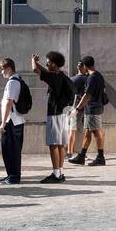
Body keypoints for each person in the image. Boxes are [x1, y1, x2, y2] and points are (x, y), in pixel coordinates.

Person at [32, 51, 74, 183]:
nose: (47, 64)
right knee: (60, 144)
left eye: (49, 62)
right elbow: (44, 72)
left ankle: (56, 174)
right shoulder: (61, 76)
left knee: (53, 145)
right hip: (63, 114)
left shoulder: (54, 77)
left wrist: (33, 60)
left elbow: (35, 70)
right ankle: (60, 172)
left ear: (54, 64)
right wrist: (39, 64)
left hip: (55, 114)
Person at [70, 55, 107, 167]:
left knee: (96, 132)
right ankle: (81, 156)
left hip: (92, 108)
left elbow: (87, 95)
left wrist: (77, 108)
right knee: (88, 132)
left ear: (85, 66)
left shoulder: (92, 77)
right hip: (94, 108)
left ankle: (100, 157)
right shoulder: (99, 75)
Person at [0, 58, 26, 185]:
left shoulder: (12, 83)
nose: (1, 73)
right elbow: (10, 103)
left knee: (9, 149)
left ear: (8, 69)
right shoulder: (18, 80)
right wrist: (0, 102)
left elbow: (9, 103)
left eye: (2, 70)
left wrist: (3, 123)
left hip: (11, 121)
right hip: (17, 119)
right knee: (13, 149)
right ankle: (11, 175)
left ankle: (13, 177)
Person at [66, 61, 89, 158]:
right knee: (84, 130)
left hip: (72, 106)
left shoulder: (71, 79)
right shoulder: (88, 79)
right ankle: (78, 152)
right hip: (84, 107)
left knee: (72, 130)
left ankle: (70, 152)